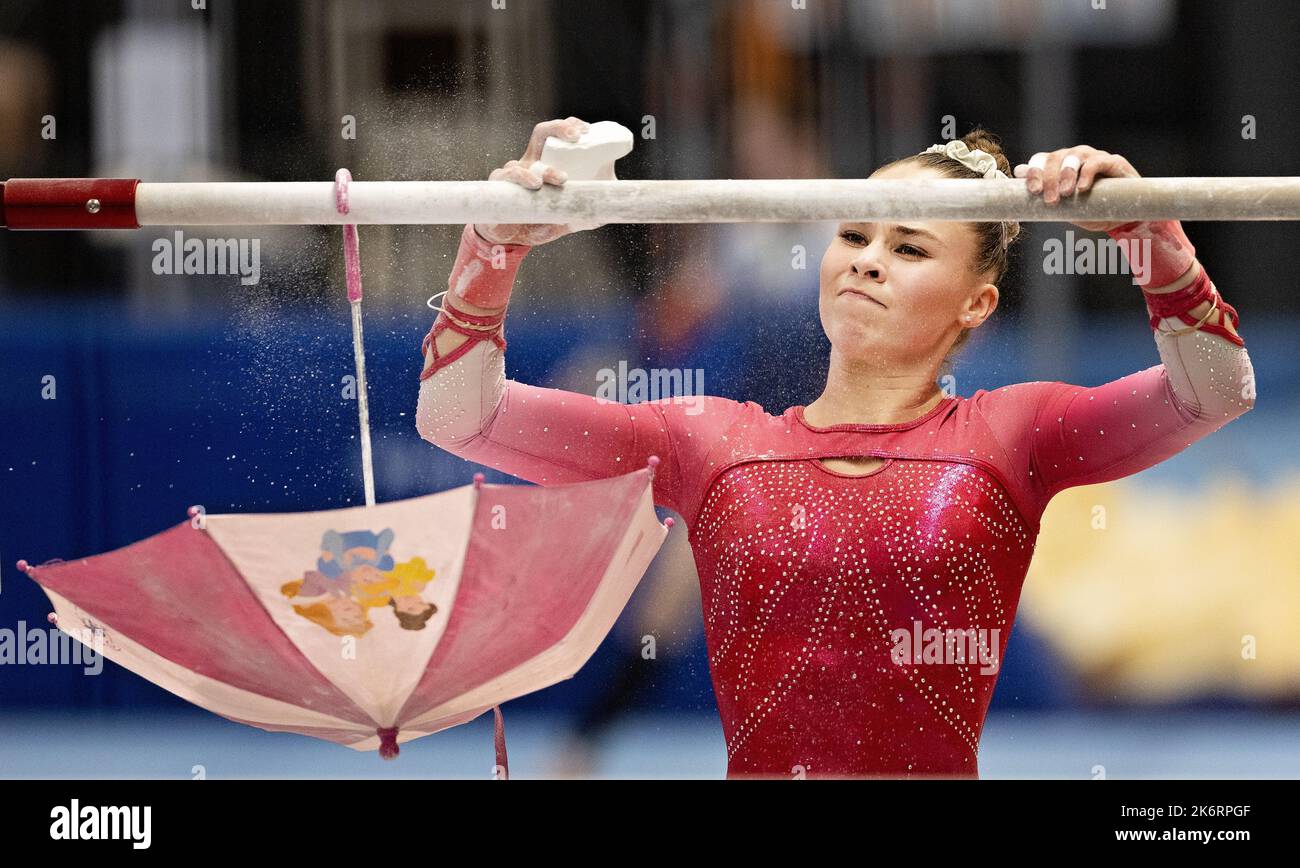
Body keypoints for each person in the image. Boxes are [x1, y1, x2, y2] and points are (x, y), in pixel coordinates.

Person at [414, 117, 1254, 779]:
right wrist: (495, 244)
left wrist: (1151, 233)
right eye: (854, 236)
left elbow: (1212, 390)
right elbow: (460, 416)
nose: (869, 262)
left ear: (977, 304)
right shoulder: (710, 441)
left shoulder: (1014, 434)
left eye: (910, 247)